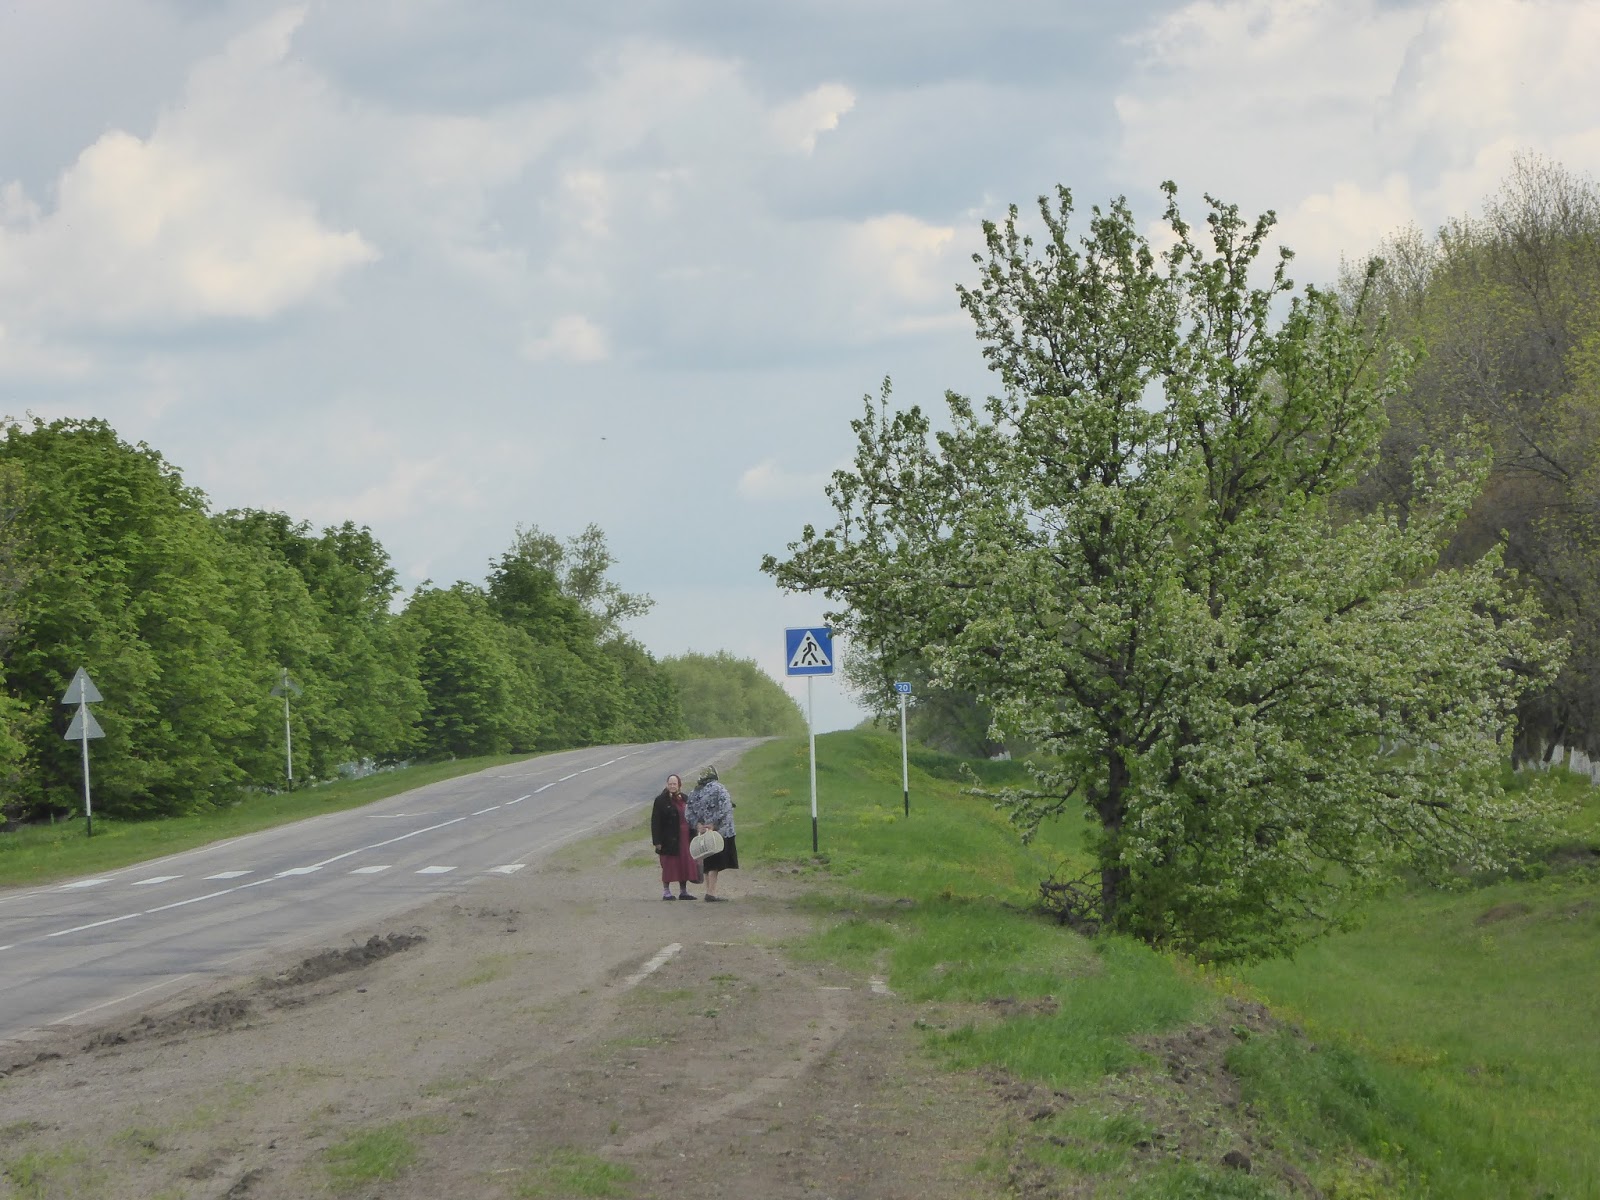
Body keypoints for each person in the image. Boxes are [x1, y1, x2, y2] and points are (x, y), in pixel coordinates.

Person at [687, 765, 738, 902]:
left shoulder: (694, 792)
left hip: (703, 832)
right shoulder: (719, 789)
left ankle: (709, 890)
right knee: (715, 862)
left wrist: (697, 825)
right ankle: (711, 893)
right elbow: (726, 808)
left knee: (707, 859)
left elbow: (688, 812)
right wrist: (715, 825)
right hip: (720, 832)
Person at [650, 774, 699, 900]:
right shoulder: (660, 800)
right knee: (669, 865)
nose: (672, 786)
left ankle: (683, 891)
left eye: (674, 784)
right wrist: (657, 841)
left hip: (685, 837)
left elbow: (692, 816)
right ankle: (666, 892)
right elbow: (655, 822)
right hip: (668, 839)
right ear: (667, 785)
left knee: (684, 864)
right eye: (670, 784)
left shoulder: (685, 798)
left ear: (679, 785)